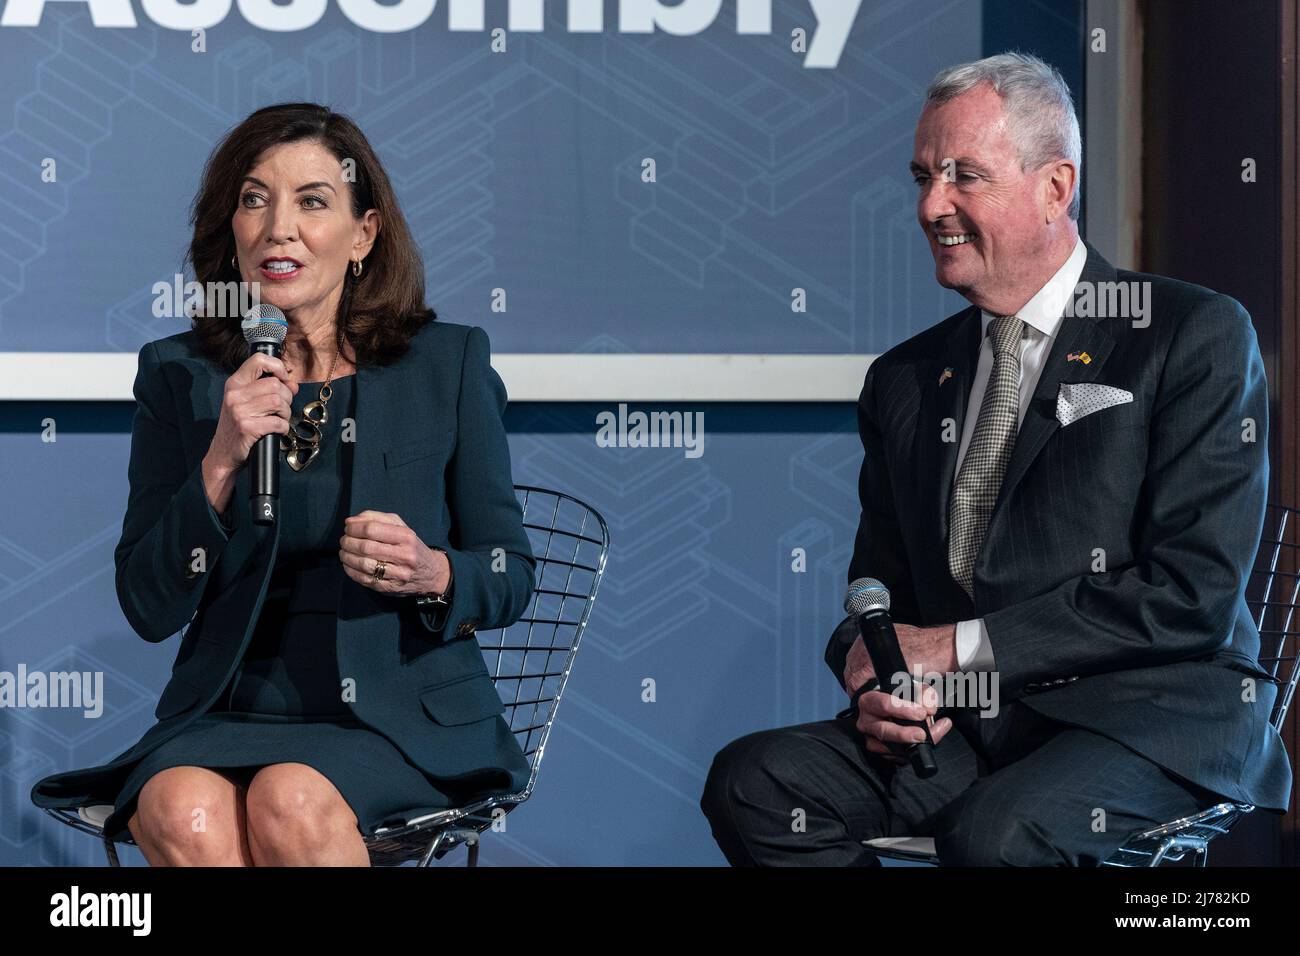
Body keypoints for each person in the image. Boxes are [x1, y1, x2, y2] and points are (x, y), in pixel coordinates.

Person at [700, 53, 1292, 866]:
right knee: (757, 782)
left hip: (1151, 722)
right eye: (921, 178)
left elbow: (1192, 594)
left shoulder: (1190, 334)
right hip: (966, 728)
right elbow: (880, 594)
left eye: (962, 177)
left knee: (997, 838)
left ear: (1056, 186)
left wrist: (956, 651)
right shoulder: (904, 381)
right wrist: (873, 674)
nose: (930, 206)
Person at [31, 103, 536, 866]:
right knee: (178, 809)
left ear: (363, 234)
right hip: (229, 706)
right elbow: (148, 602)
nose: (279, 228)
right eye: (255, 198)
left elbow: (508, 572)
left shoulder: (446, 364)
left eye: (312, 201)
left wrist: (433, 570)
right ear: (230, 229)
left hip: (397, 715)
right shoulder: (183, 376)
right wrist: (221, 461)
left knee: (290, 800)